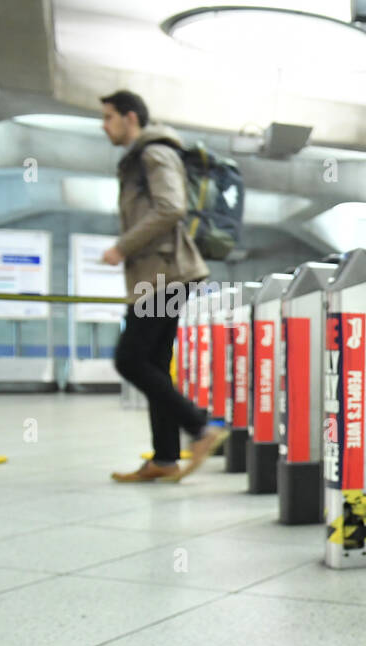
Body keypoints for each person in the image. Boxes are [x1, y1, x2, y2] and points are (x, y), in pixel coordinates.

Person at [100, 90, 227, 482]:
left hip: (164, 276)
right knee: (153, 364)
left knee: (130, 359)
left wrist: (123, 246)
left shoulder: (154, 152)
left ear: (130, 117)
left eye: (109, 117)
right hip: (160, 275)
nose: (105, 126)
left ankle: (201, 428)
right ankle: (165, 458)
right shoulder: (144, 155)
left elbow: (171, 206)